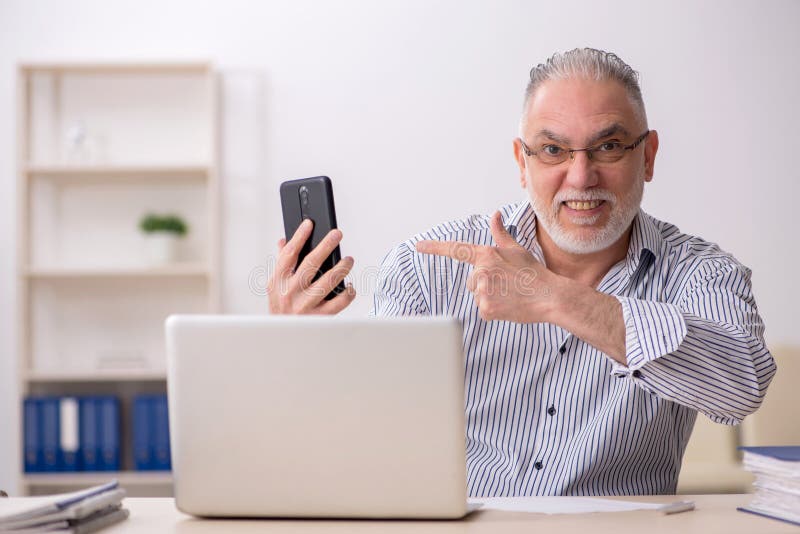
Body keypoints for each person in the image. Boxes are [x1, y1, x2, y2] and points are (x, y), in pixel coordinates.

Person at [267, 48, 776, 497]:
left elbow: (742, 386)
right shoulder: (427, 268)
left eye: (608, 146)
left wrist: (558, 299)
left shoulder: (702, 272)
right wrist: (294, 350)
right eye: (553, 150)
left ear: (648, 155)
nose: (581, 176)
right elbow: (364, 429)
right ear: (521, 160)